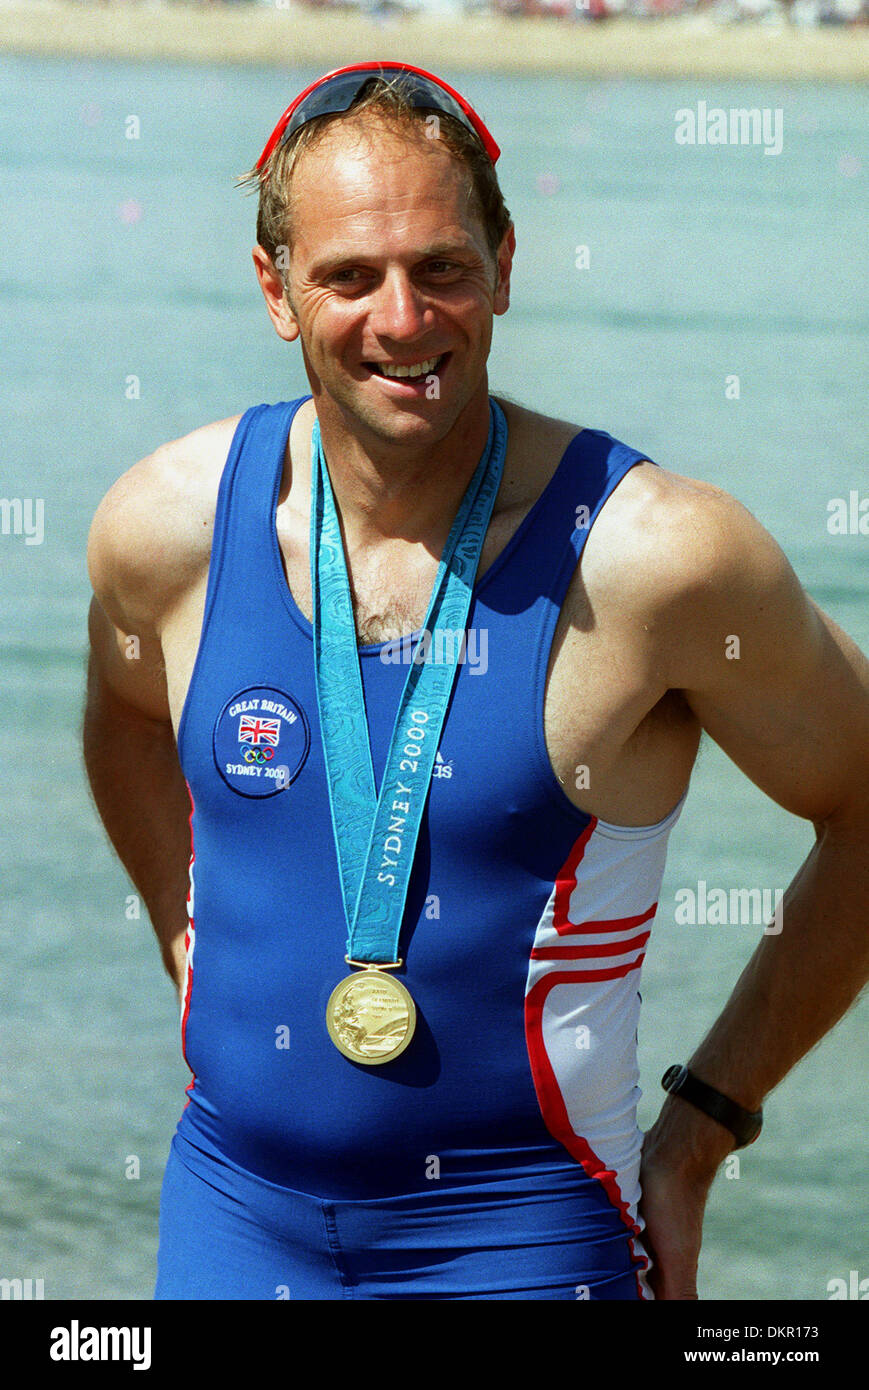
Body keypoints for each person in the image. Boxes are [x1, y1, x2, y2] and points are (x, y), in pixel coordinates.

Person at [83, 63, 869, 1301]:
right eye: (348, 276)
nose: (401, 320)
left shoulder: (656, 561)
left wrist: (704, 1124)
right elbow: (126, 722)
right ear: (275, 288)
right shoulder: (165, 531)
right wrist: (188, 942)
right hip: (232, 1213)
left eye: (441, 267)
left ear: (505, 264)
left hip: (521, 1233)